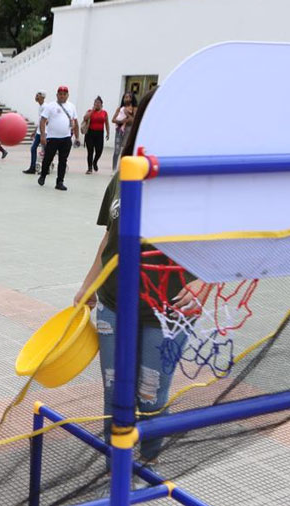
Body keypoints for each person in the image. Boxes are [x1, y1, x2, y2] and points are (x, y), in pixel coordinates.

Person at [73, 88, 201, 462]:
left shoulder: (192, 180)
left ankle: (148, 459)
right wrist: (87, 286)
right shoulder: (123, 175)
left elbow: (220, 241)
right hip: (113, 304)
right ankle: (116, 465)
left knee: (150, 395)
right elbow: (109, 240)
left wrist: (206, 285)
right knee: (115, 392)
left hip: (167, 312)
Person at [38, 86, 80, 191]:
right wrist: (43, 135)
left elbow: (76, 121)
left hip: (66, 138)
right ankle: (43, 175)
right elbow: (42, 121)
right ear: (57, 95)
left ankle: (60, 181)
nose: (62, 96)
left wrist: (77, 137)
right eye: (60, 94)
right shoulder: (50, 106)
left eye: (64, 94)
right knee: (48, 158)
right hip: (52, 138)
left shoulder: (71, 106)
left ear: (67, 95)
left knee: (63, 160)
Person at [82, 96, 110, 174]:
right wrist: (92, 111)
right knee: (90, 151)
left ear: (101, 104)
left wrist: (108, 132)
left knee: (99, 151)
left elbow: (107, 123)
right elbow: (85, 118)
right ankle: (89, 168)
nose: (97, 104)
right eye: (95, 102)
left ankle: (95, 162)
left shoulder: (104, 113)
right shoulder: (90, 111)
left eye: (98, 103)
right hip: (90, 133)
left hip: (99, 133)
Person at [112, 92, 137, 170]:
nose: (126, 99)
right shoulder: (119, 109)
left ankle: (123, 168)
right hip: (119, 130)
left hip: (129, 130)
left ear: (132, 99)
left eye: (128, 97)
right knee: (117, 150)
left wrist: (127, 114)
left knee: (125, 150)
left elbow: (134, 120)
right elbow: (113, 119)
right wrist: (121, 121)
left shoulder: (134, 108)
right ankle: (114, 168)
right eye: (125, 97)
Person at [24, 90, 46, 174]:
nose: (36, 96)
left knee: (45, 151)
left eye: (38, 95)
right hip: (39, 132)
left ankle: (45, 169)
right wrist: (35, 131)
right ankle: (32, 168)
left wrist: (43, 132)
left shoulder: (45, 107)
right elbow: (40, 121)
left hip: (44, 132)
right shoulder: (40, 107)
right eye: (36, 95)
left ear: (43, 97)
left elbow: (45, 121)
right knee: (33, 148)